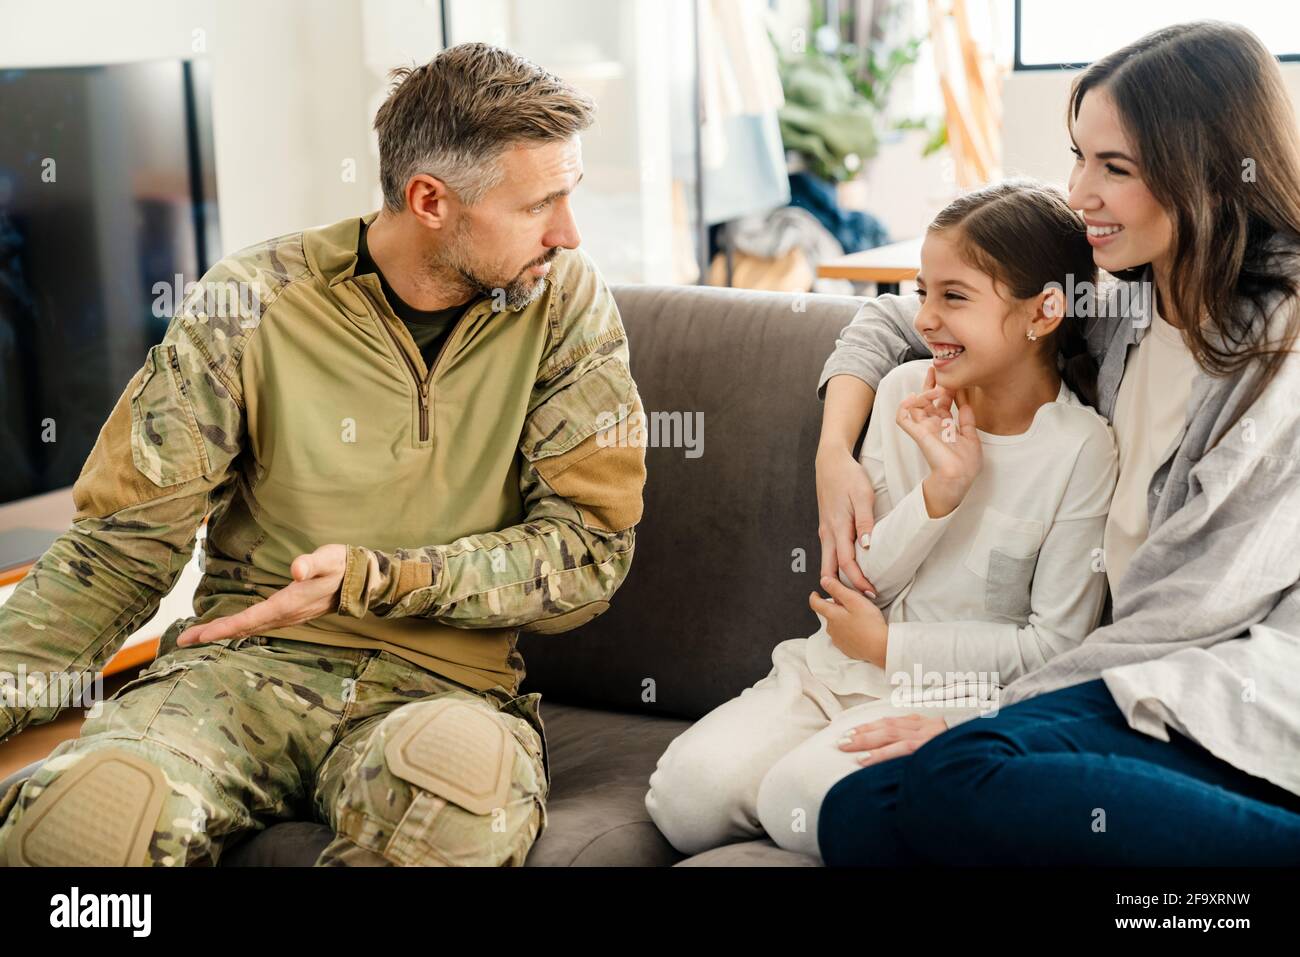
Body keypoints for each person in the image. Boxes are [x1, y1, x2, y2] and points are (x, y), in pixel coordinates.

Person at [0, 42, 647, 867]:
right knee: (84, 827)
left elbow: (589, 554)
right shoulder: (251, 302)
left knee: (454, 802)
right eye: (540, 205)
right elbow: (119, 551)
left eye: (570, 195)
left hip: (443, 690)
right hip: (237, 673)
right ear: (429, 200)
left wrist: (379, 576)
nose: (568, 231)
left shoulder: (564, 305)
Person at [815, 21, 1300, 865]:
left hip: (1227, 683)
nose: (1078, 192)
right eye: (1079, 156)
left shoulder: (1277, 347)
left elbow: (1197, 607)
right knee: (855, 815)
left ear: (1212, 176)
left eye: (1116, 168)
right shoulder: (1120, 309)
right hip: (1132, 675)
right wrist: (833, 450)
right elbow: (896, 314)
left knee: (958, 769)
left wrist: (997, 710)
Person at [645, 180, 1118, 859]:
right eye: (922, 291)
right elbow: (858, 580)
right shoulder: (903, 393)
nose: (925, 318)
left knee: (799, 801)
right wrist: (940, 493)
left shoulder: (1082, 450)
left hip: (950, 697)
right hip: (831, 671)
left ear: (1045, 312)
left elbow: (1055, 646)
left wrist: (891, 650)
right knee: (683, 801)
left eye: (953, 297)